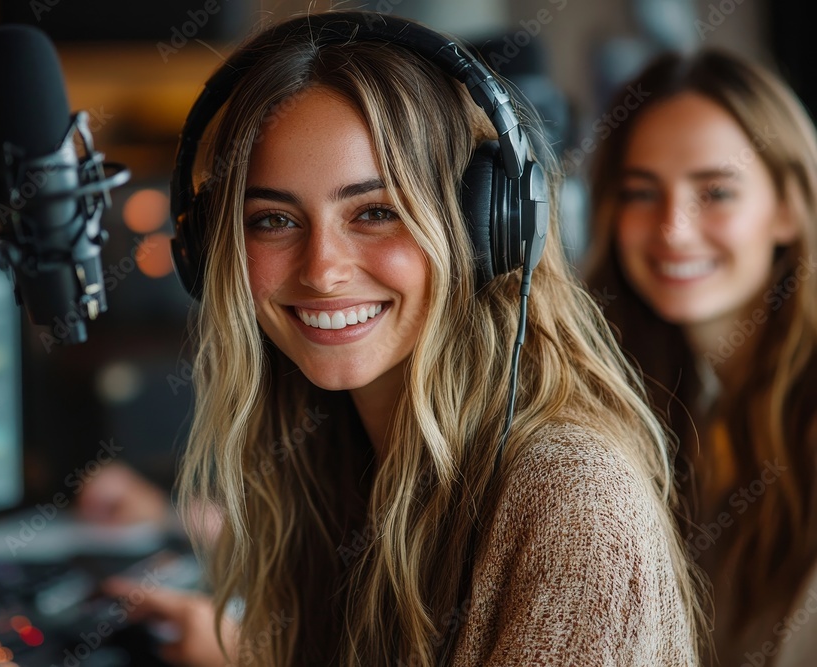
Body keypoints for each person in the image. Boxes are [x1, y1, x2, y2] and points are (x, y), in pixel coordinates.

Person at [107, 11, 704, 666]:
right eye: (273, 218)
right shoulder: (337, 459)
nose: (322, 268)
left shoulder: (573, 499)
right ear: (210, 252)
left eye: (375, 212)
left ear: (486, 228)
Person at [584, 48, 817, 667]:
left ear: (789, 206)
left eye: (714, 191)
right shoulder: (646, 403)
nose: (672, 231)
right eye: (641, 193)